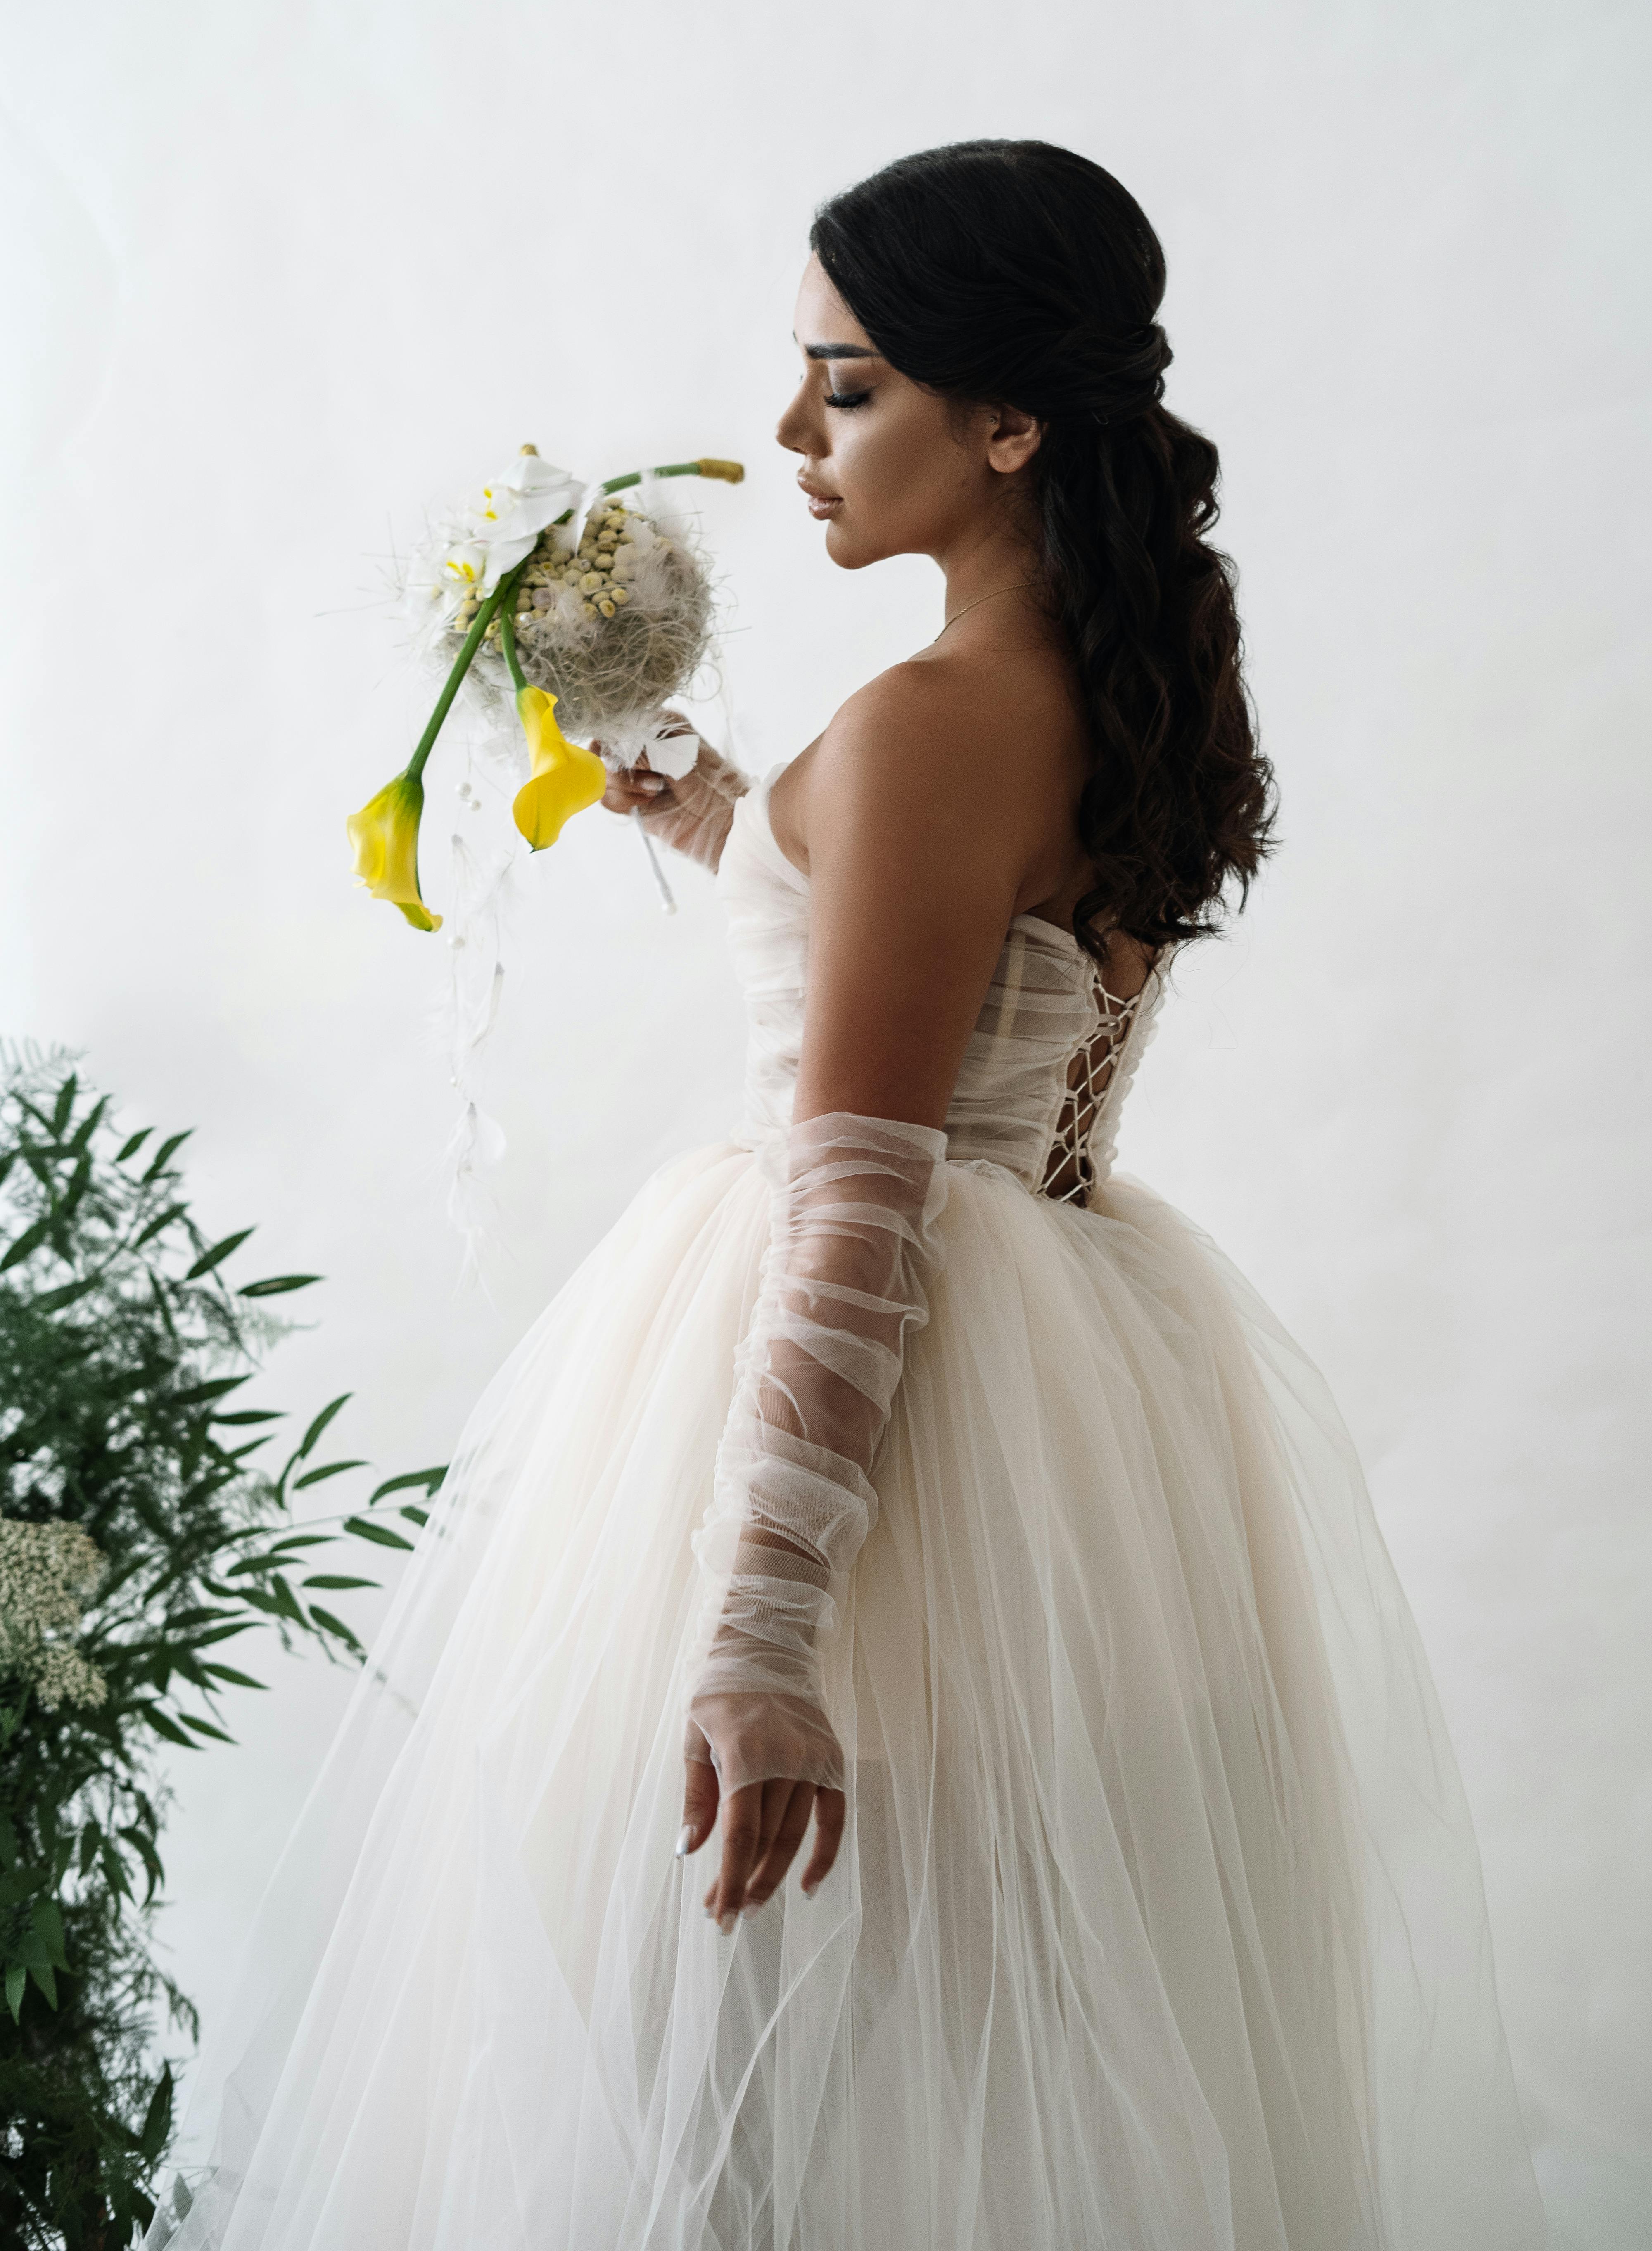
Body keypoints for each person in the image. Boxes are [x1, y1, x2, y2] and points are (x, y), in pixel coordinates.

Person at [153, 141, 1542, 2250]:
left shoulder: (920, 723)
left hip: (881, 1444)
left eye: (852, 386)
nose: (795, 437)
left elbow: (863, 1198)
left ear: (1008, 422)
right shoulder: (1111, 677)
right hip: (1082, 1437)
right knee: (964, 2066)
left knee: (730, 2091)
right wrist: (730, 830)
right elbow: (983, 1001)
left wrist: (758, 1636)